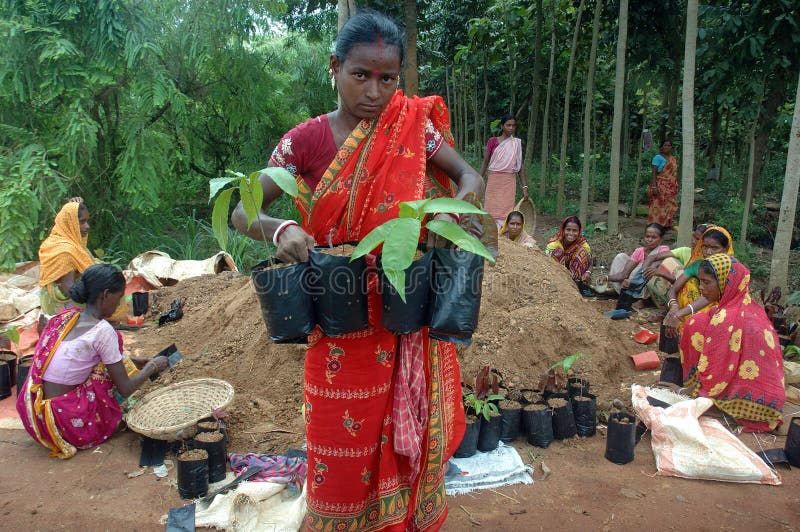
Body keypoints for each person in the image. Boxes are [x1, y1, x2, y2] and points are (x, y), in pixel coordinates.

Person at [232, 11, 484, 530]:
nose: (374, 91)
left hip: (407, 306)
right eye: (361, 75)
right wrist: (279, 230)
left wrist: (449, 211)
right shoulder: (305, 140)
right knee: (338, 436)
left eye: (387, 78)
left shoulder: (416, 129)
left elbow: (469, 176)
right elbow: (241, 210)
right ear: (335, 67)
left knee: (406, 425)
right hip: (340, 309)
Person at [17, 264, 168, 458]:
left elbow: (80, 357)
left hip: (37, 417)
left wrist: (137, 361)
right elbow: (125, 388)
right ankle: (100, 422)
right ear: (105, 294)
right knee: (106, 374)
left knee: (105, 362)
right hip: (66, 424)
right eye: (119, 296)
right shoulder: (103, 331)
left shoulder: (68, 317)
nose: (119, 303)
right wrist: (151, 367)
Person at [675, 254, 785, 432]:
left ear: (727, 283)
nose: (701, 288)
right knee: (698, 322)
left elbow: (716, 368)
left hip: (759, 400)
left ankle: (714, 401)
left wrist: (694, 393)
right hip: (769, 395)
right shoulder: (745, 305)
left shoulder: (728, 317)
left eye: (707, 282)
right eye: (700, 282)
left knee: (696, 323)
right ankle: (707, 391)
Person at [663, 226, 735, 335]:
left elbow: (709, 298)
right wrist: (674, 306)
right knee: (690, 283)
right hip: (694, 309)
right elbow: (673, 289)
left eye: (715, 248)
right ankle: (686, 327)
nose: (708, 252)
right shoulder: (697, 265)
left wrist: (680, 313)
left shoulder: (732, 270)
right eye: (705, 247)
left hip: (724, 315)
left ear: (725, 250)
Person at [641, 223, 711, 320]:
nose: (693, 241)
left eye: (698, 239)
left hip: (702, 297)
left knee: (675, 268)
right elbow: (654, 257)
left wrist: (661, 273)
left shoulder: (712, 262)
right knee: (665, 262)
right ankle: (669, 309)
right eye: (693, 237)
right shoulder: (686, 252)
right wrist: (644, 270)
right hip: (681, 291)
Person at [38, 199, 96, 316]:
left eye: (87, 221)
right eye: (82, 222)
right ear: (71, 223)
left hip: (49, 299)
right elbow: (69, 289)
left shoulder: (58, 240)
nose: (87, 226)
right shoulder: (65, 251)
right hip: (59, 304)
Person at [599, 223, 670, 310]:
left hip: (647, 287)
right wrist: (606, 277)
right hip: (631, 285)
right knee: (620, 257)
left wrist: (633, 281)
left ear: (661, 239)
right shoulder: (639, 251)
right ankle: (627, 294)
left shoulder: (663, 250)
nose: (649, 240)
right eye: (647, 236)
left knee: (650, 269)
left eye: (654, 237)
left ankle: (644, 300)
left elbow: (650, 268)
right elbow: (624, 274)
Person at [478, 114, 529, 228]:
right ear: (502, 126)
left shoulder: (516, 144)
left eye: (513, 125)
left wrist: (525, 187)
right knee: (491, 207)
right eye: (508, 125)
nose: (511, 128)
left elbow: (520, 167)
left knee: (506, 209)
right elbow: (485, 161)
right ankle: (490, 231)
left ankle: (504, 235)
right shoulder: (493, 141)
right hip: (494, 180)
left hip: (508, 181)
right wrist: (478, 179)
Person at [545, 216, 594, 296]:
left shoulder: (583, 244)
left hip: (575, 278)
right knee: (557, 252)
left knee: (582, 252)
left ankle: (576, 285)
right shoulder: (554, 244)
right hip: (557, 277)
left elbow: (590, 264)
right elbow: (546, 264)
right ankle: (560, 286)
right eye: (568, 230)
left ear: (579, 231)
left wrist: (588, 272)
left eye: (575, 231)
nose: (571, 233)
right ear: (563, 230)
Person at [648, 139, 679, 229]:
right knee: (657, 207)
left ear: (671, 147)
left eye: (669, 145)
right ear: (662, 147)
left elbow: (674, 174)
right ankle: (654, 227)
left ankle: (665, 226)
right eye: (665, 145)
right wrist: (654, 186)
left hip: (671, 188)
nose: (667, 147)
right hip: (660, 187)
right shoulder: (657, 157)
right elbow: (653, 173)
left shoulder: (673, 159)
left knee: (669, 207)